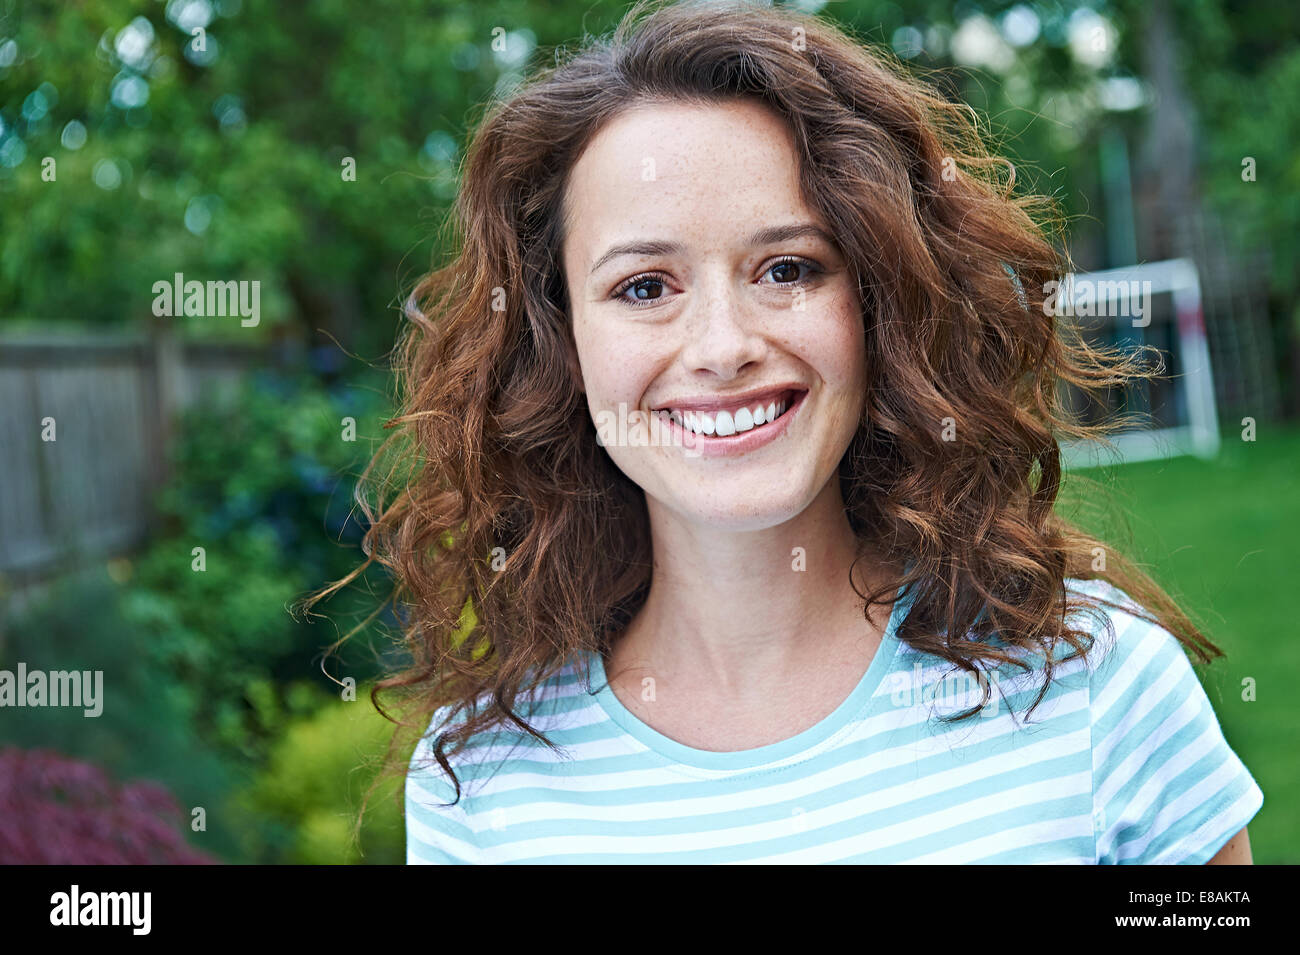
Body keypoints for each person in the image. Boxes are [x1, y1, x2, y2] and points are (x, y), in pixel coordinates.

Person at [320, 0, 1263, 863]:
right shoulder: (479, 783)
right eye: (644, 286)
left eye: (788, 269)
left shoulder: (1097, 685)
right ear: (558, 341)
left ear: (878, 303)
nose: (723, 346)